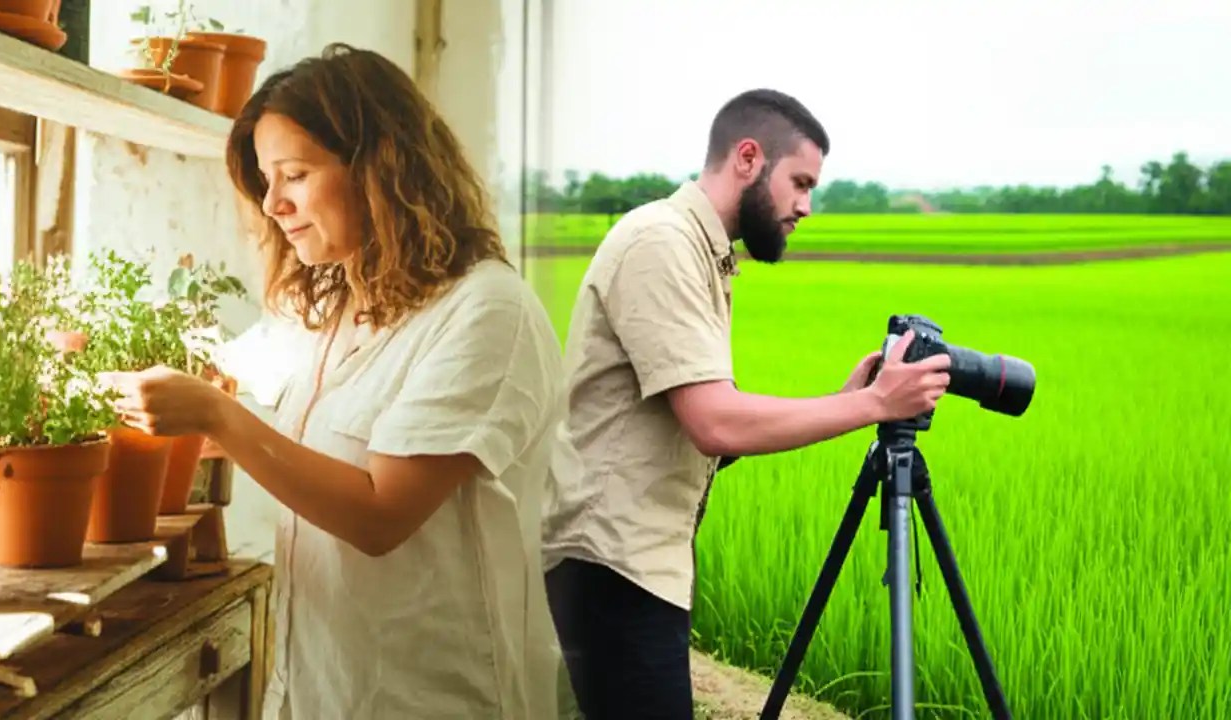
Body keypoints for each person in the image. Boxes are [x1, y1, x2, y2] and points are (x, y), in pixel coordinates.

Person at [101, 44, 565, 719]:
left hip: (434, 699)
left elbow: (380, 515)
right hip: (320, 689)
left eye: (294, 174)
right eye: (266, 179)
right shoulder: (327, 307)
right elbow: (222, 378)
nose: (274, 204)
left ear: (381, 169)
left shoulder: (486, 311)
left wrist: (217, 418)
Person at [541, 88, 953, 719]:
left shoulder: (704, 255)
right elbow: (714, 422)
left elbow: (689, 432)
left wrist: (845, 401)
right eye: (800, 182)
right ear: (749, 158)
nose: (806, 207)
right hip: (612, 567)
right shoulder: (661, 244)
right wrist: (873, 405)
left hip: (634, 566)